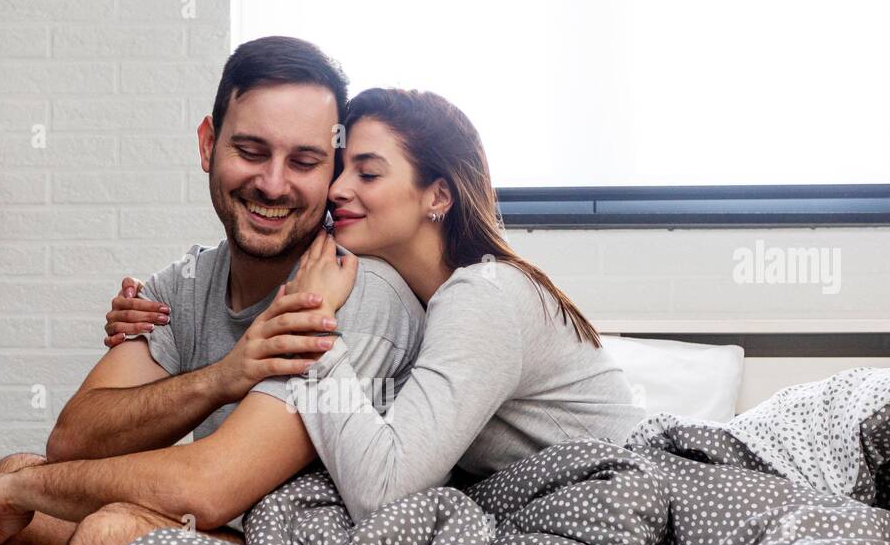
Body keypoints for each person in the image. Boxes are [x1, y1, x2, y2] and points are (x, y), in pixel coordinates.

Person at [0, 37, 423, 545]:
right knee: (9, 504)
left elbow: (207, 486)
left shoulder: (355, 294)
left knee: (106, 531)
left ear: (330, 172)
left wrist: (21, 488)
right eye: (250, 151)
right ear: (207, 144)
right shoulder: (182, 286)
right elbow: (74, 440)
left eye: (303, 161)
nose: (272, 183)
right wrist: (222, 378)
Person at [272, 87, 645, 522]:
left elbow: (383, 494)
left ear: (438, 197)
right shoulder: (422, 306)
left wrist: (316, 325)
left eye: (368, 174)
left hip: (625, 500)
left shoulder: (483, 295)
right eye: (340, 171)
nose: (336, 190)